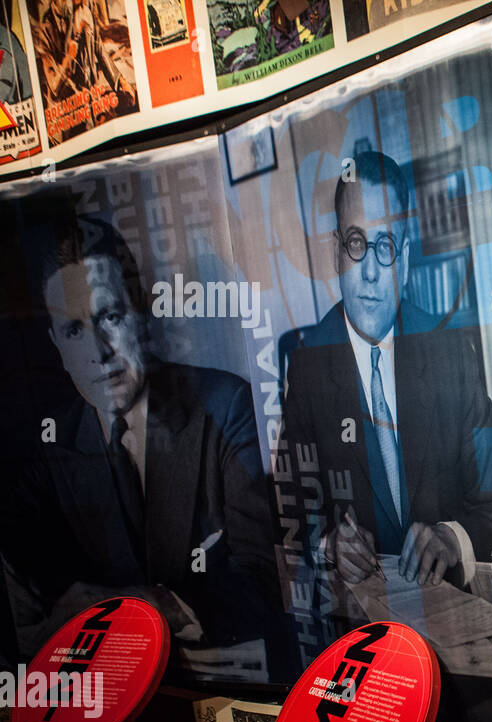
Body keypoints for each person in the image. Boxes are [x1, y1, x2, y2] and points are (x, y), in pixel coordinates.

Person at [0, 213, 284, 672]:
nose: (99, 351)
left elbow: (266, 581)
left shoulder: (224, 403)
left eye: (109, 317)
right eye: (75, 331)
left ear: (140, 313)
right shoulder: (48, 449)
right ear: (56, 343)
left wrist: (146, 605)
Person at [281, 151, 492, 594]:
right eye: (358, 244)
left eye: (387, 246)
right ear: (337, 252)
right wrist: (329, 546)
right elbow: (290, 522)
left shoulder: (452, 354)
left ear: (407, 259)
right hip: (362, 630)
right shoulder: (307, 368)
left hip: (450, 619)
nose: (373, 272)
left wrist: (454, 540)